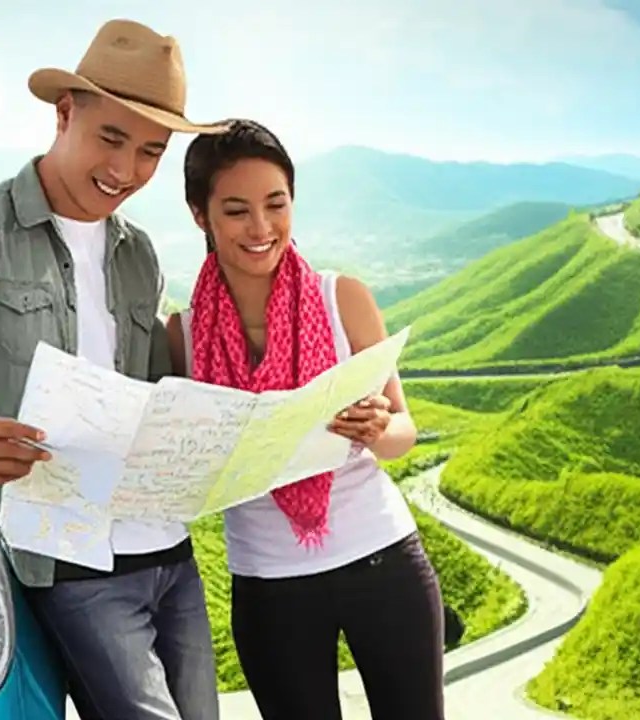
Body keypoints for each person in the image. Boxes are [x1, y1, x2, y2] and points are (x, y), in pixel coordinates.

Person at [0, 19, 228, 720]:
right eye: (112, 138)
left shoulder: (139, 254)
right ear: (65, 112)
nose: (126, 170)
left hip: (168, 550)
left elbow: (153, 394)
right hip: (68, 561)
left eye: (151, 152)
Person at [165, 119, 446, 720]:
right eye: (236, 211)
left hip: (382, 561)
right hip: (269, 582)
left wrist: (379, 427)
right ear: (199, 215)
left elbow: (403, 433)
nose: (261, 228)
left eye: (276, 204)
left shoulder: (343, 299)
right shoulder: (181, 337)